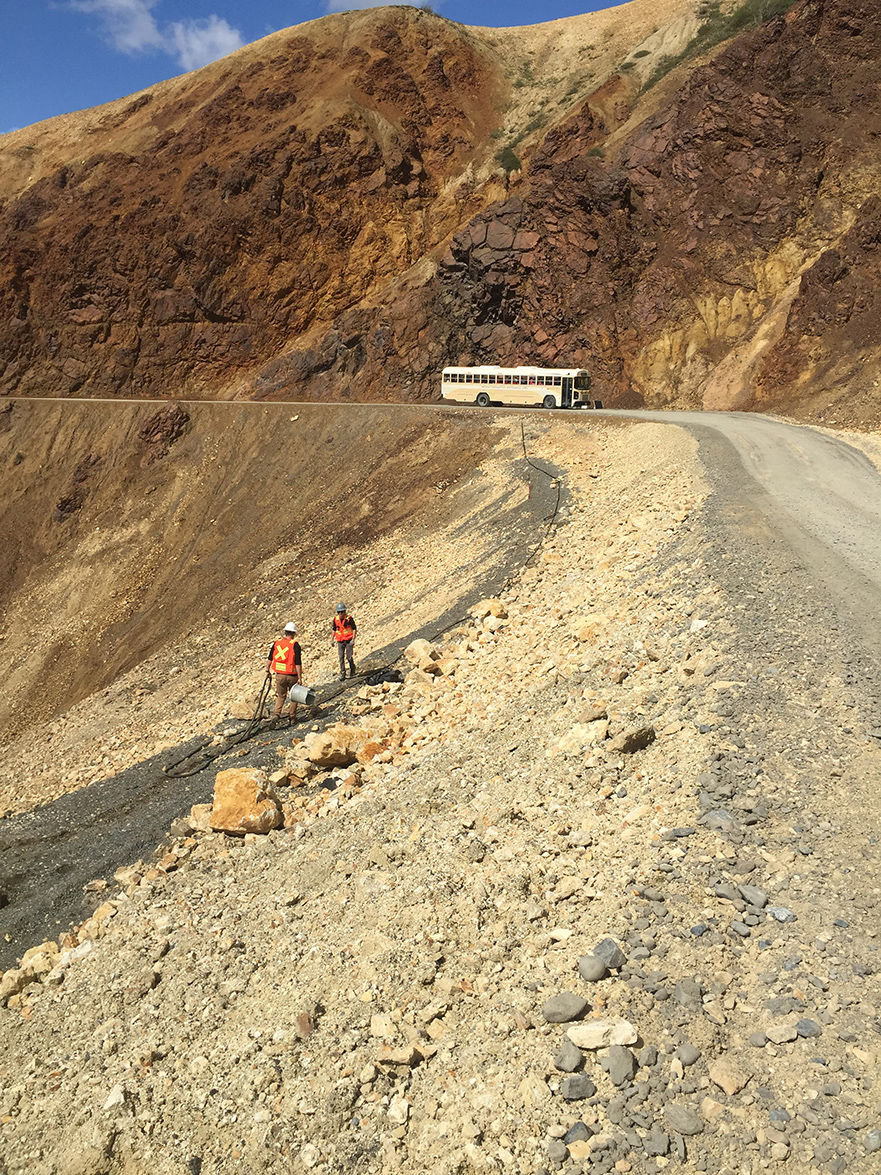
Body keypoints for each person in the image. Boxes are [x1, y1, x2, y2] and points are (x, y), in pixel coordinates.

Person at [266, 622, 303, 723]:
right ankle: (292, 717)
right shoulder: (295, 645)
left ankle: (276, 714)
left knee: (281, 695)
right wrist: (300, 677)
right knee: (294, 696)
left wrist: (267, 670)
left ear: (285, 632)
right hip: (292, 675)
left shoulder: (277, 643)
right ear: (294, 633)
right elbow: (298, 662)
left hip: (280, 675)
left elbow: (270, 658)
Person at [332, 603, 357, 680]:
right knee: (341, 657)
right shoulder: (335, 619)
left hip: (349, 640)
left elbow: (354, 629)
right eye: (339, 612)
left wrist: (353, 639)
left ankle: (352, 668)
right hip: (340, 641)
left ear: (344, 611)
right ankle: (343, 673)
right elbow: (334, 629)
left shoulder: (349, 619)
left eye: (342, 612)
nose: (341, 614)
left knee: (349, 657)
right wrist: (332, 639)